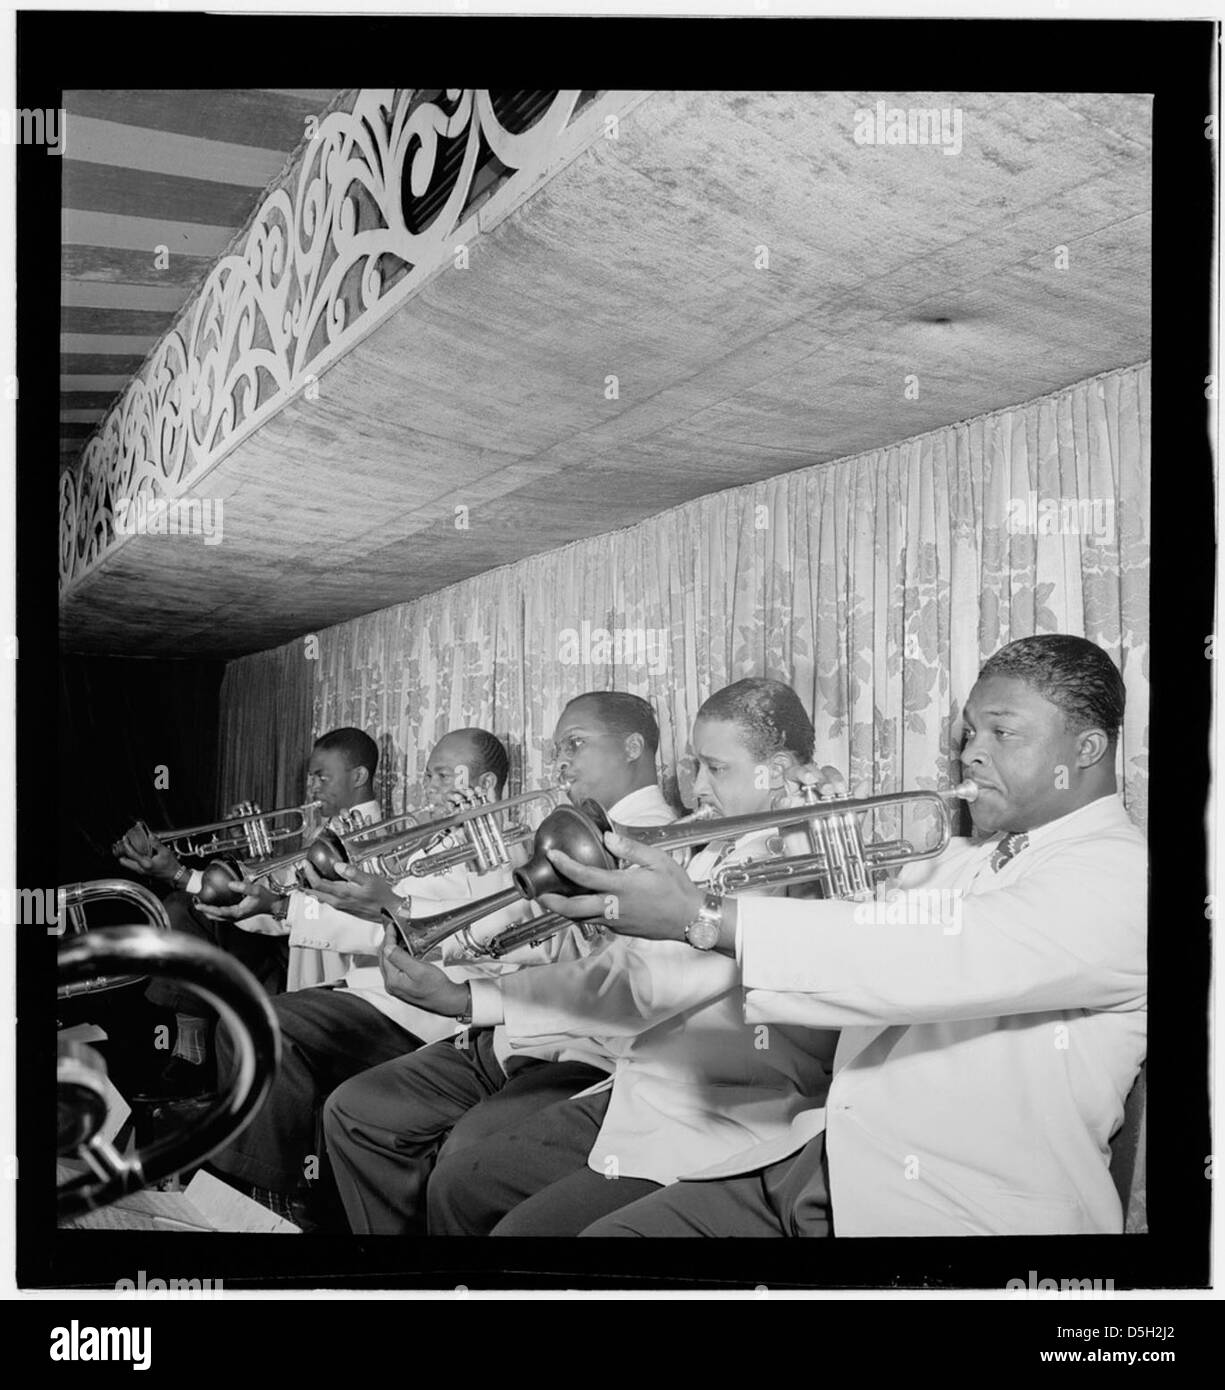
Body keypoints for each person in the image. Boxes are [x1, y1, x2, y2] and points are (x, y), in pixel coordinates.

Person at [534, 635, 1146, 1237]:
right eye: (969, 732)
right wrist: (825, 852)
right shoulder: (966, 857)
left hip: (958, 1204)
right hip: (829, 1155)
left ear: (1086, 749)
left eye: (1001, 733)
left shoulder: (1125, 875)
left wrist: (704, 917)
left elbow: (928, 955)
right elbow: (867, 928)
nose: (970, 754)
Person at [377, 678, 839, 1237]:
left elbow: (647, 984)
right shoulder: (716, 845)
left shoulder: (782, 856)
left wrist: (466, 997)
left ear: (782, 770)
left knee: (517, 1228)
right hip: (641, 1084)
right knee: (462, 1183)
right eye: (694, 766)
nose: (694, 788)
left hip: (721, 1112)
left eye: (716, 770)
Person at [322, 690, 677, 1234]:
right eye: (557, 748)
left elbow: (620, 985)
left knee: (466, 1171)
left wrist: (465, 995)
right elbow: (515, 927)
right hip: (510, 1031)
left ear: (633, 747)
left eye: (576, 745)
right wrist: (414, 921)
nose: (561, 762)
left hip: (585, 1054)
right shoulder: (572, 829)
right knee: (354, 1109)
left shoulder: (661, 845)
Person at [197, 728, 540, 1226]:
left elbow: (483, 930)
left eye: (444, 775)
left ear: (485, 783)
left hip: (423, 1015)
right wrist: (282, 905)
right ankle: (263, 1196)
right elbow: (367, 921)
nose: (429, 787)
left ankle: (265, 1204)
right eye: (428, 775)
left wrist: (382, 904)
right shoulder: (428, 846)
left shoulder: (506, 852)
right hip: (372, 992)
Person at [113, 727, 382, 1091]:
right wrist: (241, 863)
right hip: (287, 939)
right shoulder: (327, 829)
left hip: (308, 961)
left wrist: (181, 874)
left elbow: (294, 911)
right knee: (183, 906)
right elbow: (279, 887)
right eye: (310, 777)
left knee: (184, 905)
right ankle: (190, 1047)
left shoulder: (368, 839)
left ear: (359, 776)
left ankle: (193, 1055)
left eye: (322, 776)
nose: (312, 787)